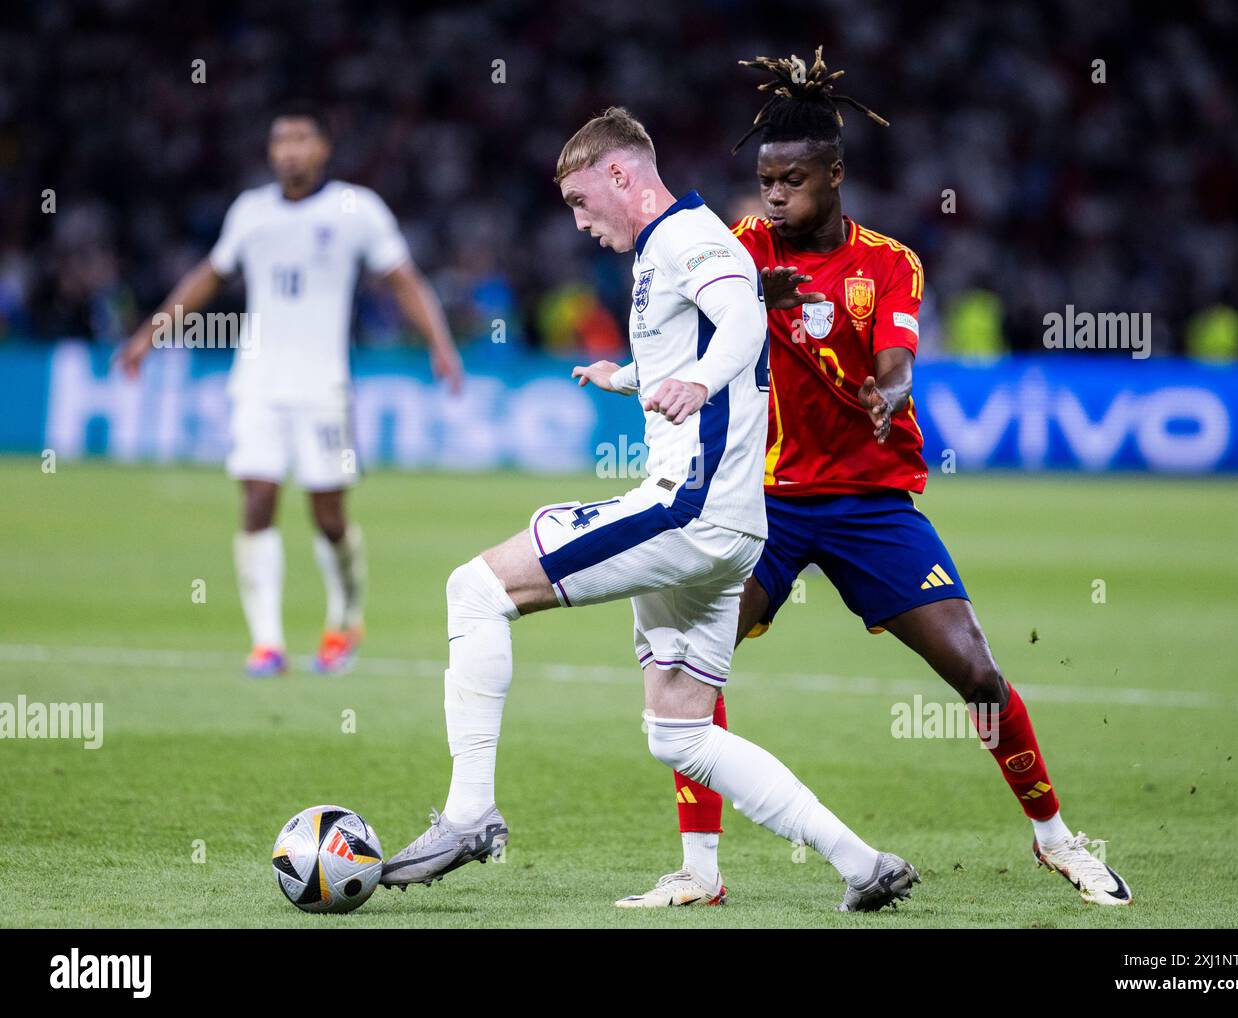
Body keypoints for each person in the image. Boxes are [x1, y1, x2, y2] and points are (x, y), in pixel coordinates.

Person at [617, 50, 1132, 908]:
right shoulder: (737, 251)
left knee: (977, 674)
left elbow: (896, 364)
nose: (774, 196)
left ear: (835, 174)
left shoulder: (888, 264)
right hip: (761, 506)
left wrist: (887, 396)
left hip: (870, 505)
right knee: (689, 672)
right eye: (765, 181)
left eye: (792, 180)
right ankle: (699, 871)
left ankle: (1057, 840)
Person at [379, 107, 919, 912]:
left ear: (621, 176)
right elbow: (710, 337)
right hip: (729, 527)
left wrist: (697, 381)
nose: (579, 221)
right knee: (679, 731)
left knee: (475, 589)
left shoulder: (688, 240)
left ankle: (469, 814)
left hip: (687, 509)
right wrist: (633, 376)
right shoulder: (676, 250)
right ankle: (863, 862)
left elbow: (740, 316)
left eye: (579, 200)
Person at [121, 102, 463, 677]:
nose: (290, 149)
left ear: (323, 149)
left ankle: (344, 620)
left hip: (324, 386)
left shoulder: (357, 208)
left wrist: (440, 341)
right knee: (257, 499)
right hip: (255, 383)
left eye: (302, 138)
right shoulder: (251, 212)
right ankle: (267, 642)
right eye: (281, 139)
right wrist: (149, 333)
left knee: (328, 514)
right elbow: (210, 273)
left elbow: (403, 279)